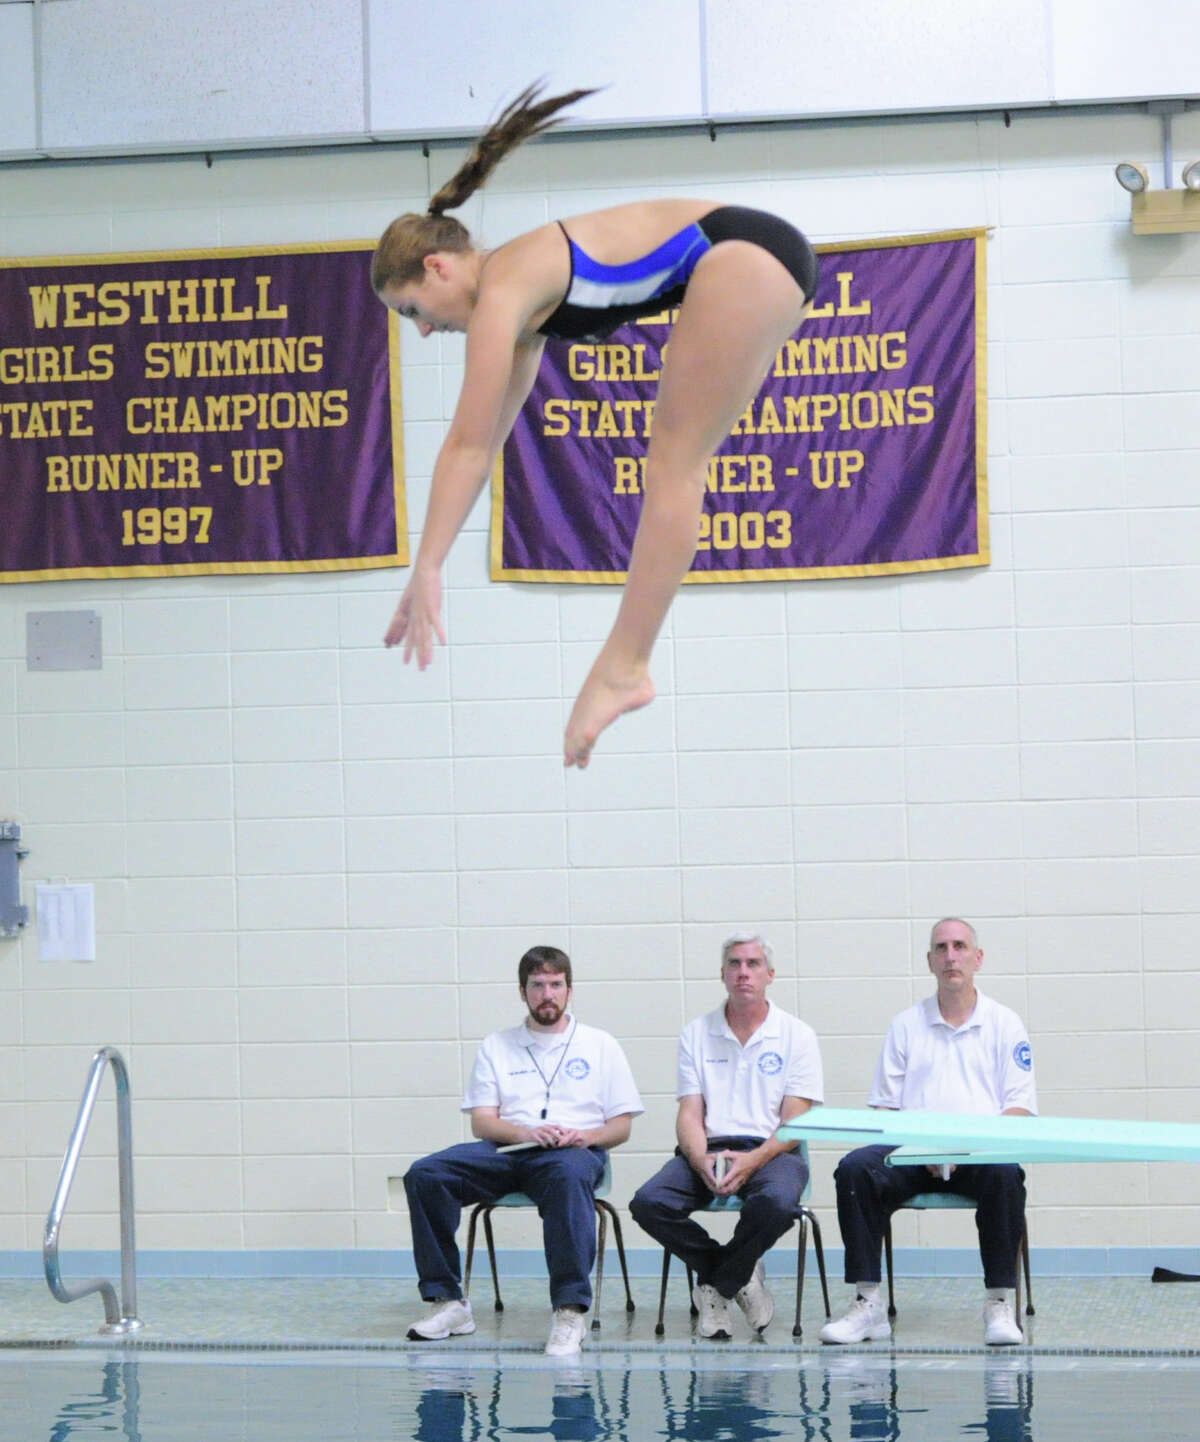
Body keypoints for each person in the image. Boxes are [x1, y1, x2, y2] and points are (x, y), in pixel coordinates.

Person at [373, 83, 819, 770]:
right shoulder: (521, 315)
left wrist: (427, 565)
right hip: (759, 256)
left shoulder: (503, 290)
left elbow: (462, 441)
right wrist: (431, 561)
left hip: (740, 252)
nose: (426, 329)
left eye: (413, 310)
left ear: (436, 266)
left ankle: (625, 666)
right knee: (674, 461)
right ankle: (625, 664)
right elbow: (486, 445)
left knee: (673, 464)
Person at [403, 944, 642, 1356]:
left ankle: (569, 1311)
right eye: (537, 985)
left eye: (555, 984)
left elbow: (621, 1127)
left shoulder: (601, 1045)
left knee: (567, 1176)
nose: (547, 994)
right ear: (522, 991)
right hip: (506, 1151)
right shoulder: (497, 1045)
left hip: (572, 1153)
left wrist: (583, 1136)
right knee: (426, 1175)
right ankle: (449, 1302)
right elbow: (482, 1121)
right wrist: (525, 1131)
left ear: (570, 989)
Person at [820, 917, 1037, 1348]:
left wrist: (966, 1147)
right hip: (911, 1152)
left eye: (960, 946)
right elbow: (884, 1107)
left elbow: (1019, 1109)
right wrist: (923, 1148)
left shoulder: (1005, 1024)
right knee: (855, 1169)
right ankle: (868, 1303)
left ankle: (998, 1302)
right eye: (941, 948)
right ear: (929, 960)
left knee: (1006, 1174)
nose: (951, 955)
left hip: (979, 1154)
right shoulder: (905, 1024)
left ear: (978, 958)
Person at [629, 932, 824, 1338]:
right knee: (648, 1203)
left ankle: (718, 1286)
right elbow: (689, 1113)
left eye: (753, 964)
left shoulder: (797, 1035)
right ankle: (738, 1273)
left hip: (773, 1152)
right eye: (735, 964)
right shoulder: (697, 1033)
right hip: (708, 1148)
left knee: (777, 1203)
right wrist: (700, 1161)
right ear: (722, 974)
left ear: (770, 974)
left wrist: (753, 1160)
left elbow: (795, 1122)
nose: (743, 973)